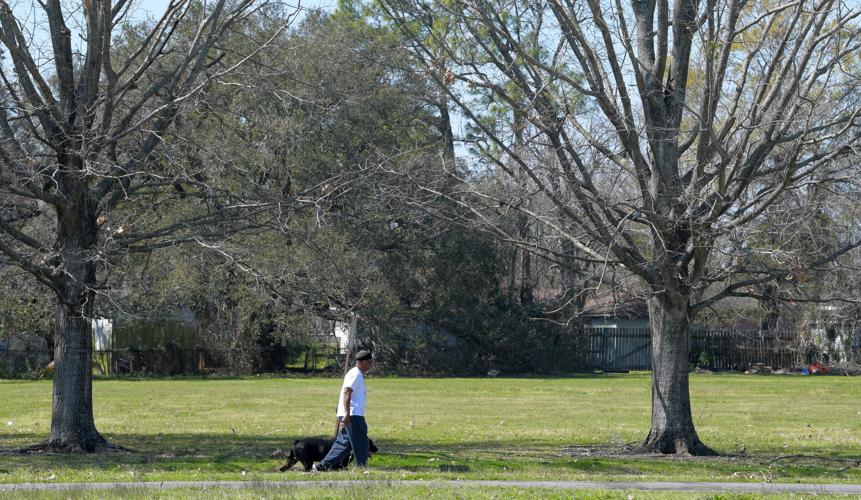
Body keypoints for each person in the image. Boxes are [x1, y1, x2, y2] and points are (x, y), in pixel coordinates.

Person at [313, 350, 373, 472]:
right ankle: (362, 468)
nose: (370, 365)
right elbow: (347, 392)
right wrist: (346, 413)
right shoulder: (355, 374)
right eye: (369, 363)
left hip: (352, 413)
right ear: (363, 362)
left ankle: (321, 467)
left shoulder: (357, 374)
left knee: (343, 444)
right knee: (361, 441)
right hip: (353, 414)